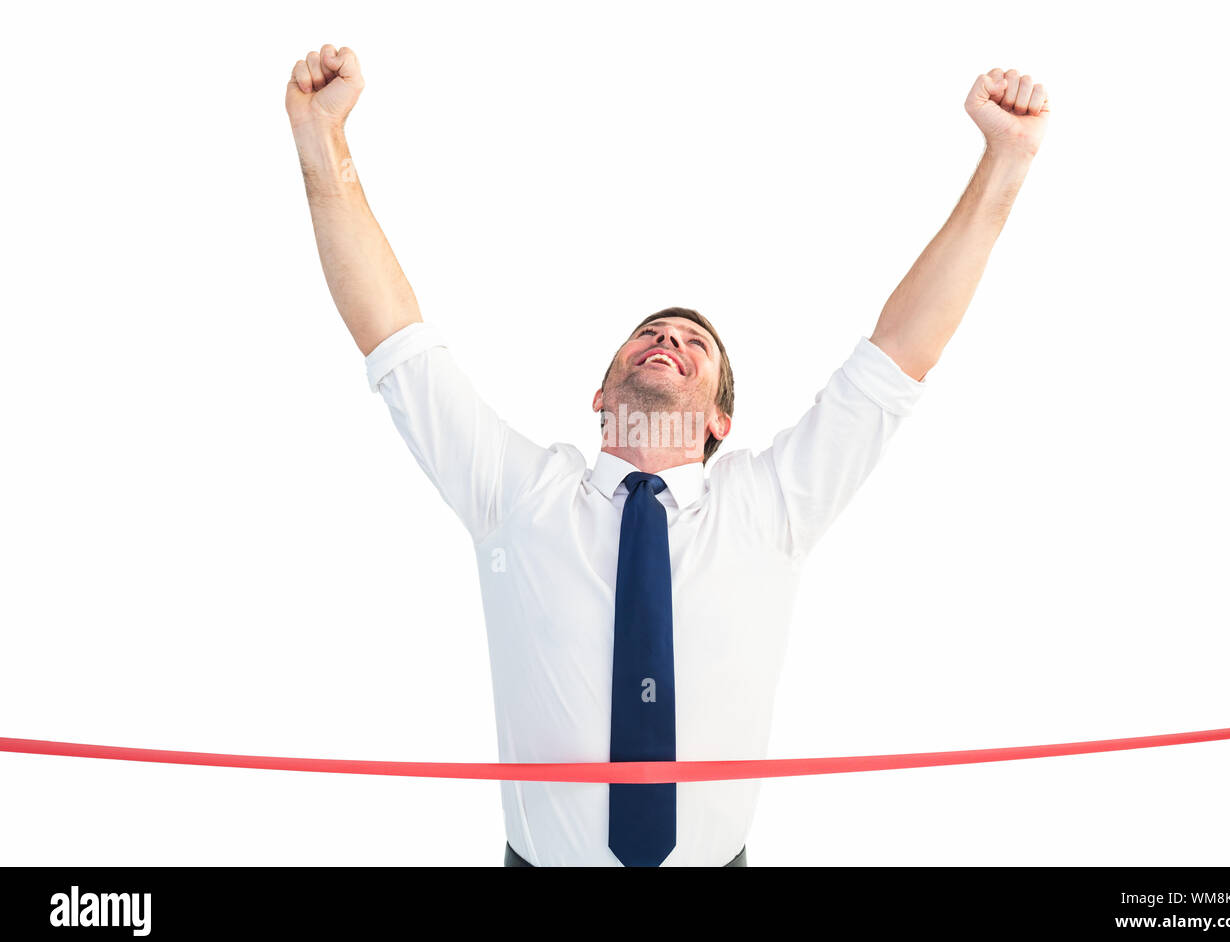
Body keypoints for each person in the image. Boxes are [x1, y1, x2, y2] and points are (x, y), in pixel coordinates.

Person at [285, 44, 1049, 867]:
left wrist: (1003, 162)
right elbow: (396, 338)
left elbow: (901, 350)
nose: (667, 341)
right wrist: (321, 145)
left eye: (694, 344)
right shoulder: (517, 494)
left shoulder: (772, 505)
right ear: (602, 397)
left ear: (721, 421)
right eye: (648, 336)